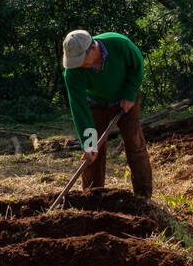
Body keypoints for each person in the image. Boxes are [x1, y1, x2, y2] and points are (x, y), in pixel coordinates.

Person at [61, 29, 153, 199]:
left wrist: (130, 94)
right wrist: (88, 143)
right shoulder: (72, 72)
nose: (78, 65)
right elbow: (79, 107)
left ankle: (143, 197)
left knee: (135, 144)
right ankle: (93, 198)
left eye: (80, 60)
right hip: (94, 105)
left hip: (126, 100)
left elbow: (137, 65)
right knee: (93, 153)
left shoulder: (119, 44)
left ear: (93, 49)